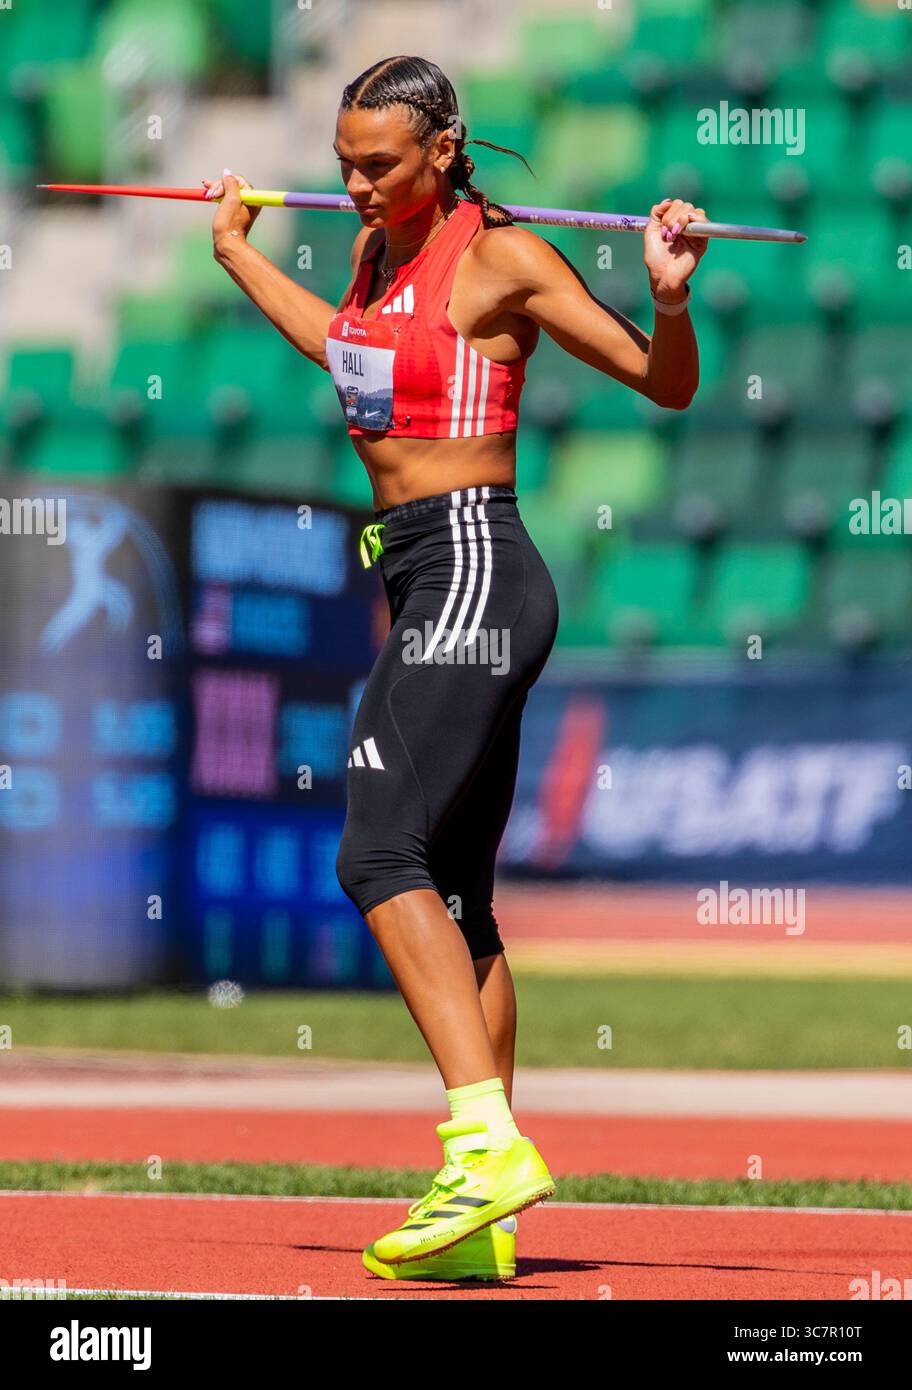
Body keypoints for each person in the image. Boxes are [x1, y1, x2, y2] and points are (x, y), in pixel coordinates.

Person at [206, 53, 705, 1280]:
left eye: (380, 164)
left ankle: (483, 1145)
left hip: (480, 562)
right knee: (460, 900)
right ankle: (482, 1215)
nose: (359, 186)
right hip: (420, 573)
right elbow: (346, 352)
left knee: (374, 849)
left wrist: (672, 297)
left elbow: (663, 381)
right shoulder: (378, 256)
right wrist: (235, 252)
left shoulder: (504, 256)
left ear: (443, 151)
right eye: (343, 167)